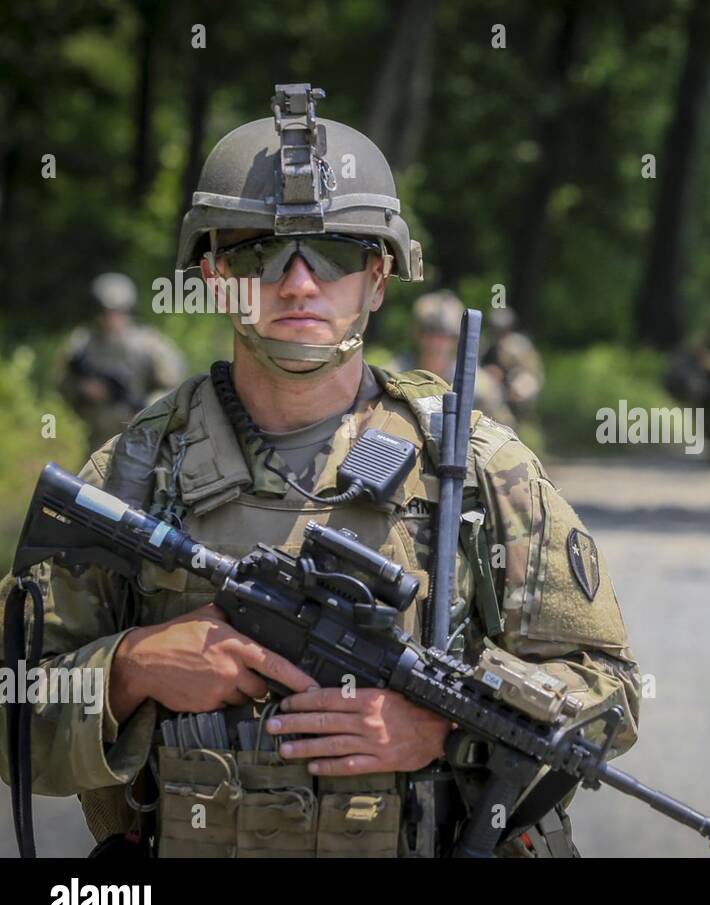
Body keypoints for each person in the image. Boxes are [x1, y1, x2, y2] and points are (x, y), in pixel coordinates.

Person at [1, 83, 638, 858]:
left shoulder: (474, 468)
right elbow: (12, 719)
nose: (298, 282)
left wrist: (446, 729)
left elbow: (609, 696)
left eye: (333, 253)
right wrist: (130, 669)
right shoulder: (134, 470)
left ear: (378, 278)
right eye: (258, 252)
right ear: (212, 275)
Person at [56, 273, 187, 451]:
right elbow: (61, 382)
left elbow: (175, 387)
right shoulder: (83, 343)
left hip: (139, 441)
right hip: (96, 441)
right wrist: (83, 388)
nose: (113, 317)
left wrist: (148, 409)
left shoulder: (149, 343)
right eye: (106, 311)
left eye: (119, 311)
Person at [394, 290, 517, 428]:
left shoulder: (480, 387)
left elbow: (503, 429)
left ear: (456, 338)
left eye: (445, 335)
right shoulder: (395, 377)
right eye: (429, 332)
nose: (436, 343)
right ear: (417, 334)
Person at [482, 306, 544, 424]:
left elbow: (532, 374)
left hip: (517, 385)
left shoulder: (519, 346)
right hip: (495, 388)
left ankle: (521, 421)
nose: (499, 336)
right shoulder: (488, 346)